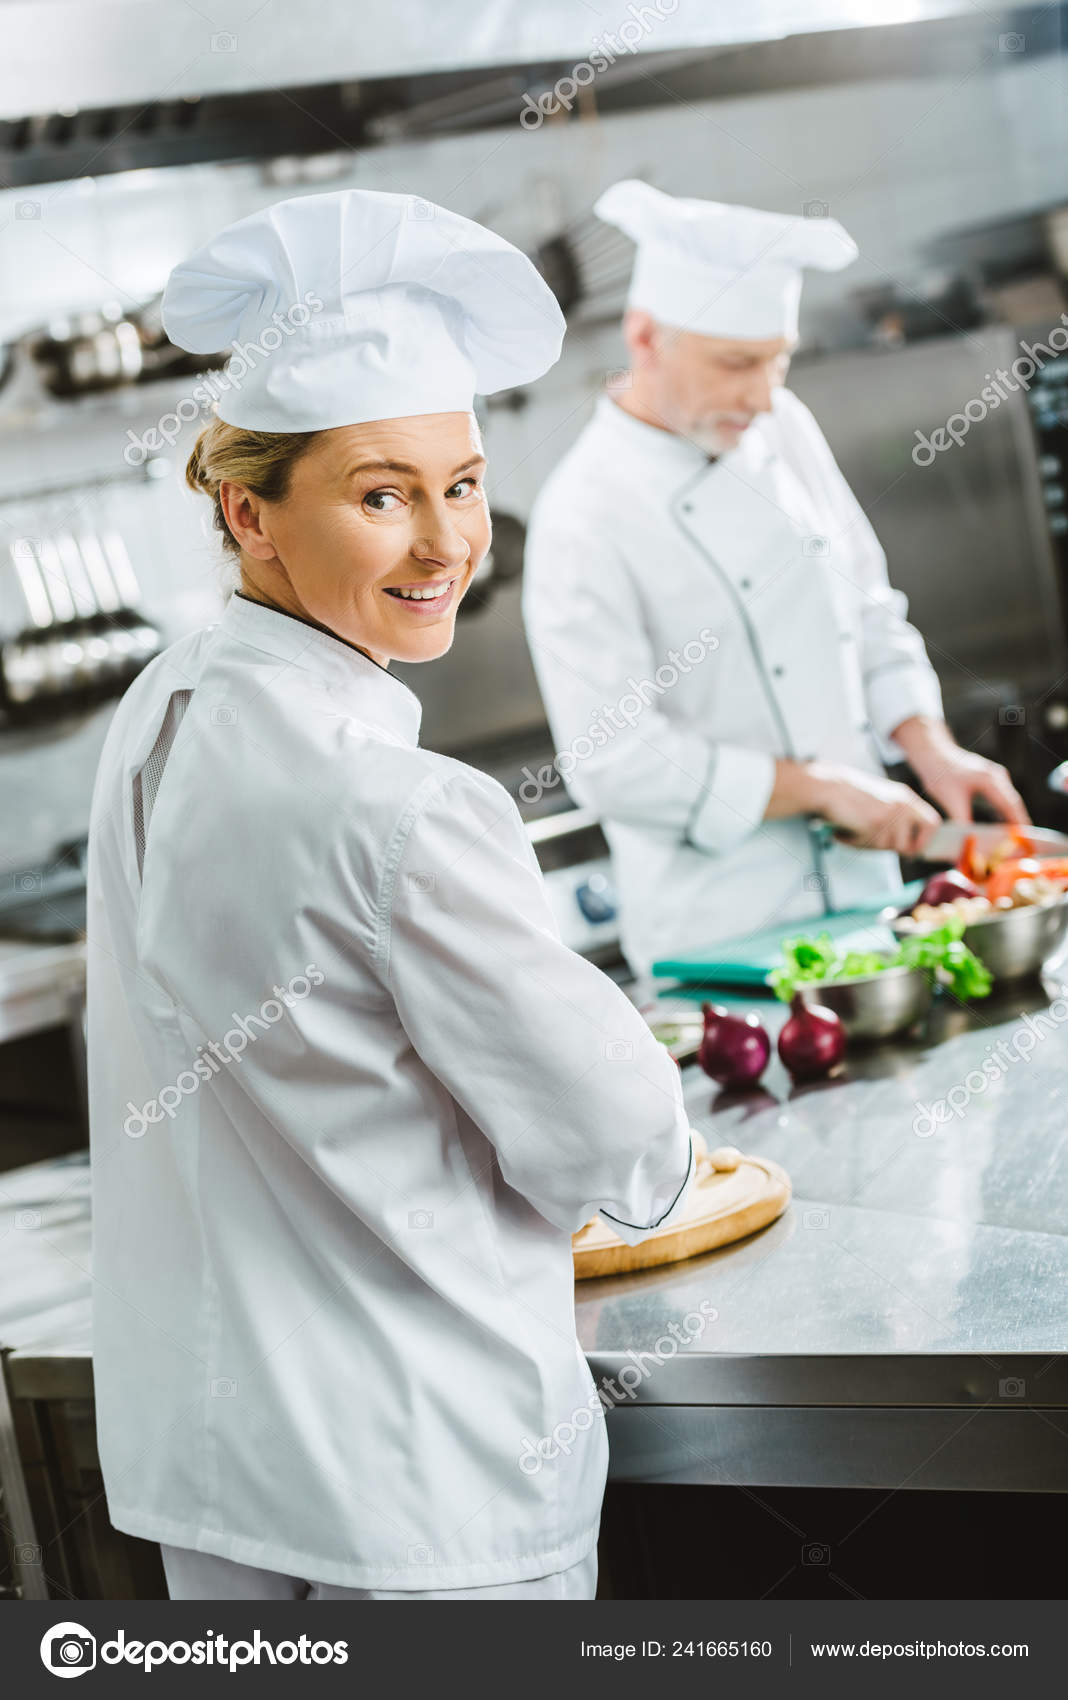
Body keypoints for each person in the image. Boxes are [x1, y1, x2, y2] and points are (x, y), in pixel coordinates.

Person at [85, 188, 696, 1602]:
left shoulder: (158, 712)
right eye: (381, 494)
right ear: (250, 513)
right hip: (428, 1494)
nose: (444, 545)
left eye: (463, 483)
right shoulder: (409, 807)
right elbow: (614, 1138)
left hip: (225, 1487)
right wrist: (650, 1144)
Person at [522, 180, 1027, 978]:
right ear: (646, 337)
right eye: (736, 363)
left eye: (778, 364)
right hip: (723, 942)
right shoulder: (582, 514)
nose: (761, 394)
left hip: (870, 906)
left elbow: (868, 610)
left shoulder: (783, 428)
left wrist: (929, 748)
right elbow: (611, 757)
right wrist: (820, 789)